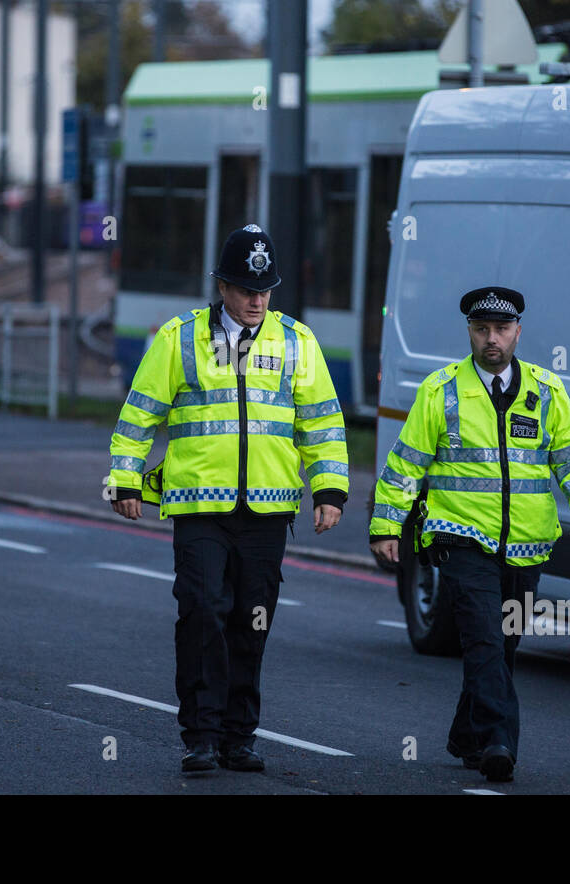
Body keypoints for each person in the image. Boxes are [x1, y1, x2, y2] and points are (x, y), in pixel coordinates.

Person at [108, 224, 349, 774]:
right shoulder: (178, 338)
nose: (257, 301)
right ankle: (201, 735)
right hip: (198, 507)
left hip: (267, 510)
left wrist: (330, 488)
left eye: (265, 290)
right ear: (221, 286)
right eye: (245, 289)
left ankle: (240, 736)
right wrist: (124, 478)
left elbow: (323, 423)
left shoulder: (296, 342)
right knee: (201, 612)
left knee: (252, 620)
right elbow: (140, 411)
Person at [369, 286, 570, 782]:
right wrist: (387, 527)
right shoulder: (441, 390)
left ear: (518, 331)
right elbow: (405, 465)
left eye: (501, 329)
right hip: (461, 537)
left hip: (526, 544)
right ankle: (498, 741)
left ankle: (465, 735)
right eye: (481, 329)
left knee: (505, 642)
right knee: (484, 639)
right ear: (469, 332)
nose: (491, 339)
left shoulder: (546, 390)